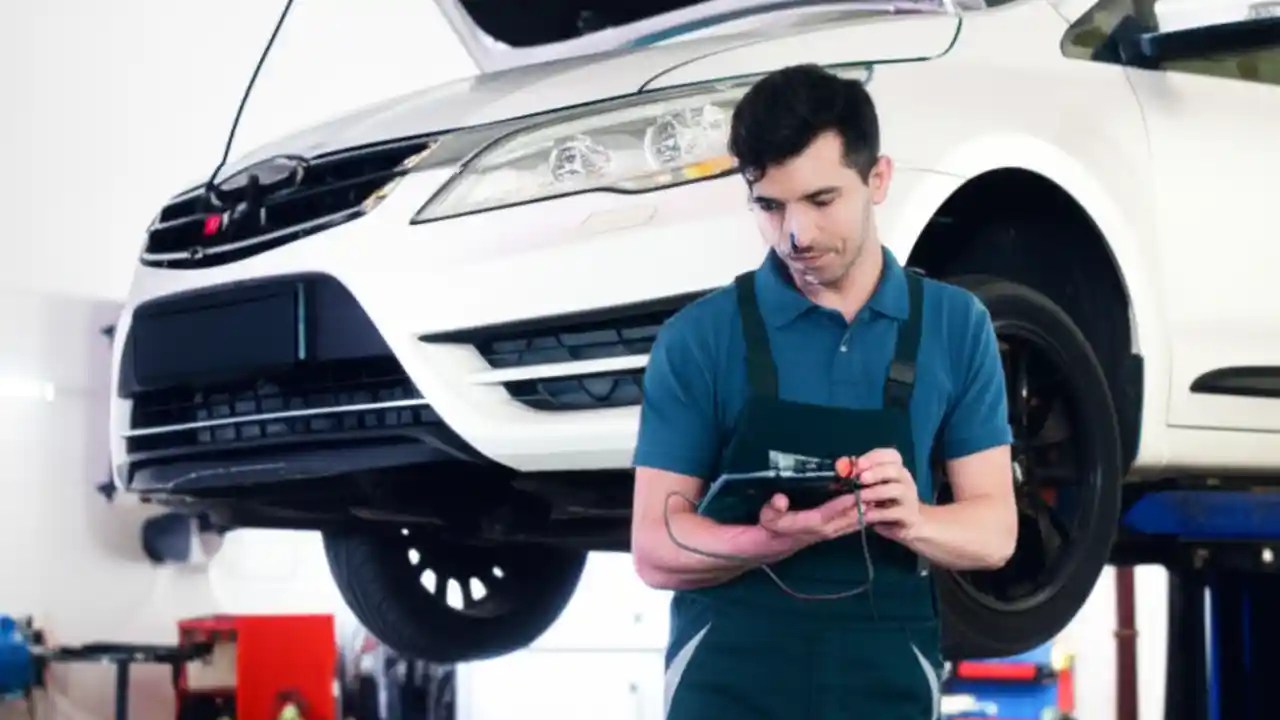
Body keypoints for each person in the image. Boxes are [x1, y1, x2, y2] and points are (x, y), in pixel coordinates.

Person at [630, 64, 1019, 719]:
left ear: (878, 179)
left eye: (820, 200)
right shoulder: (700, 338)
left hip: (885, 669)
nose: (795, 235)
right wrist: (777, 538)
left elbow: (994, 532)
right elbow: (656, 547)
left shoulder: (953, 327)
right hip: (730, 671)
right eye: (770, 205)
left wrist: (912, 517)